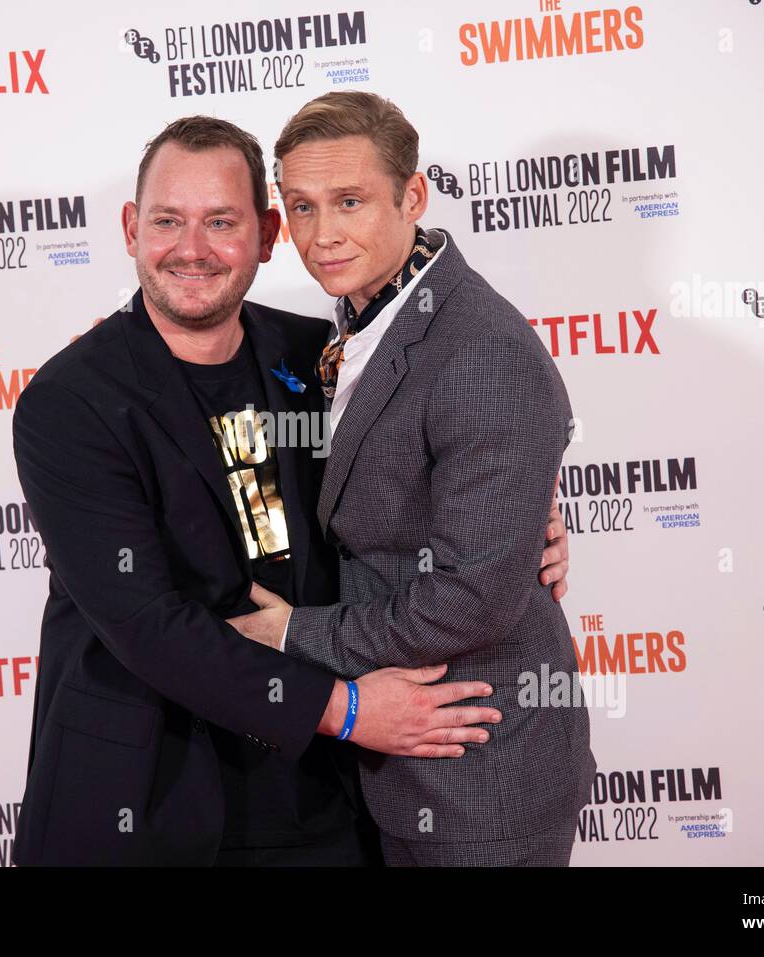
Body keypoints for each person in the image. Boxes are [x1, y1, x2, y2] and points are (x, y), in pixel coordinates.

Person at [9, 115, 572, 866]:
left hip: (322, 804)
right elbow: (147, 623)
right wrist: (350, 710)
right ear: (130, 228)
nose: (191, 248)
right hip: (148, 797)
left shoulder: (319, 357)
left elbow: (418, 485)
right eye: (168, 220)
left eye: (222, 222)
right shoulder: (71, 402)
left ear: (266, 234)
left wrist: (526, 518)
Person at [227, 91, 595, 866]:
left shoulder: (479, 349)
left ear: (414, 195)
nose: (322, 235)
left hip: (479, 774)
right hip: (387, 771)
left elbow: (467, 597)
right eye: (301, 206)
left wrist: (292, 633)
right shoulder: (360, 319)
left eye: (350, 201)